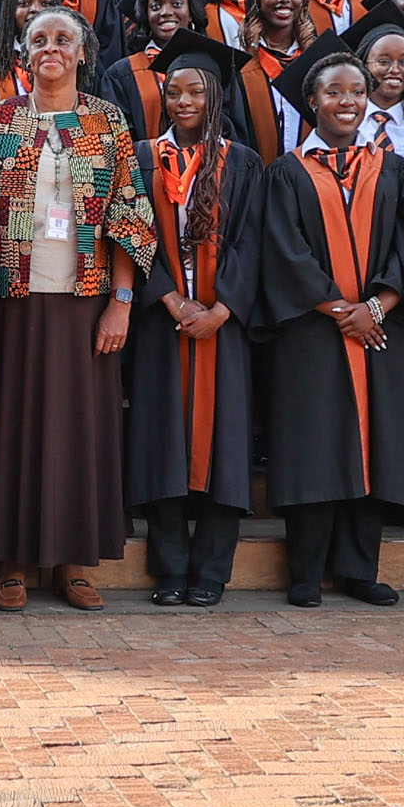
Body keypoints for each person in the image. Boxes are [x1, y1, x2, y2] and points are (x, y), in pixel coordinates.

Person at [0, 7, 160, 610]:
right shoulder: (0, 120)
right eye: (39, 39)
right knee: (13, 428)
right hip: (11, 299)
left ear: (81, 54)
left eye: (63, 39)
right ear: (23, 54)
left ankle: (73, 561)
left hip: (86, 299)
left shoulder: (106, 121)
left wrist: (121, 302)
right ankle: (12, 561)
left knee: (80, 428)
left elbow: (129, 213)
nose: (51, 48)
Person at [241, 43, 404, 607]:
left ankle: (359, 568)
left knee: (375, 445)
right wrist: (339, 310)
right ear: (312, 101)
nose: (347, 101)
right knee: (312, 445)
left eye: (356, 91)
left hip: (382, 331)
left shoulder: (396, 169)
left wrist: (376, 307)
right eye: (334, 91)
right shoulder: (286, 173)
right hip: (311, 333)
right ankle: (306, 572)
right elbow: (282, 250)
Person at [124, 38, 258, 607]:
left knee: (223, 445)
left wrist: (222, 308)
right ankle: (171, 568)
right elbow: (132, 232)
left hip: (224, 328)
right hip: (164, 324)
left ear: (216, 97)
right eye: (174, 91)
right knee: (163, 443)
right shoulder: (142, 156)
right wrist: (172, 301)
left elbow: (253, 241)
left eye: (195, 91)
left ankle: (211, 571)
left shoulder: (242, 162)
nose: (183, 101)